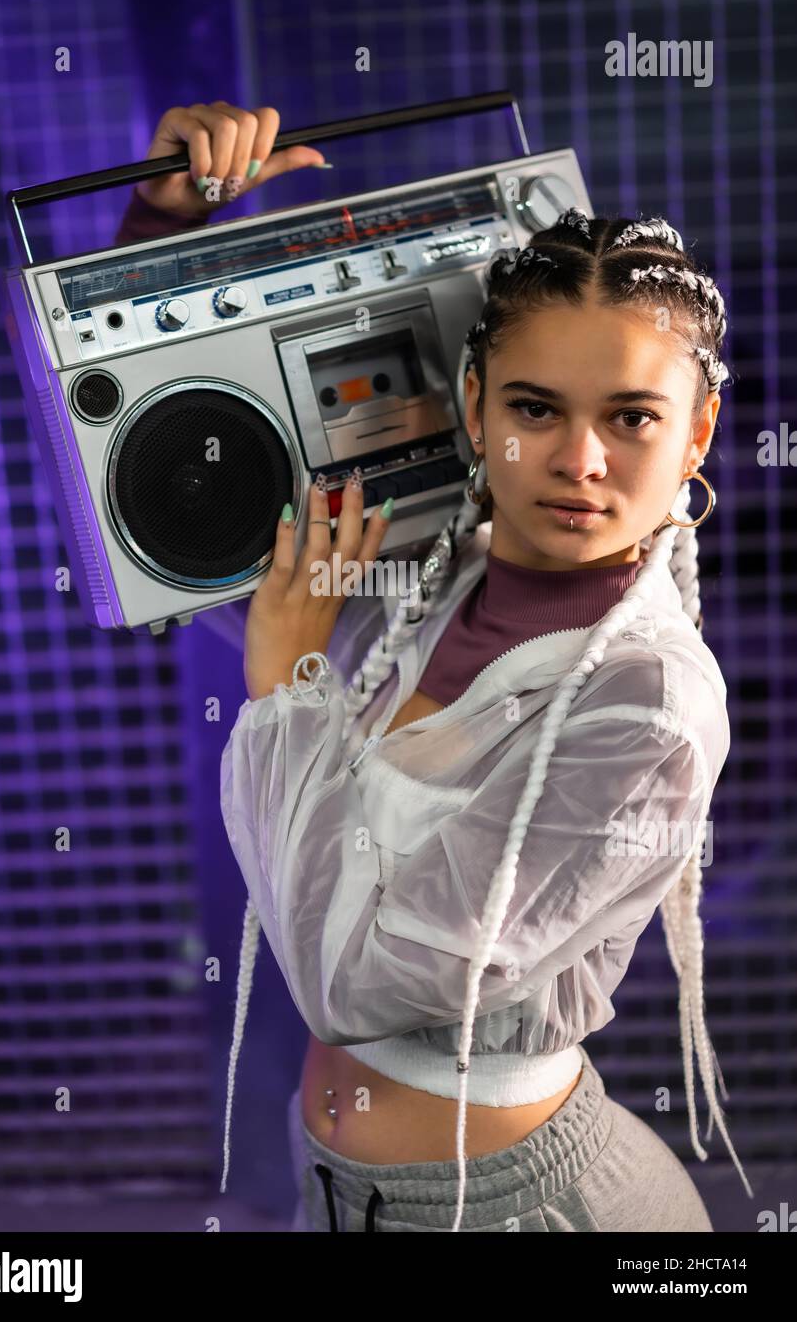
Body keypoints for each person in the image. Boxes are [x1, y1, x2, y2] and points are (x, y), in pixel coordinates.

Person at [116, 103, 754, 1232]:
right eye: (533, 408)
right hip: (333, 1190)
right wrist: (160, 226)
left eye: (632, 418)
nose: (578, 461)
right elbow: (143, 507)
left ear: (695, 437)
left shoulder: (646, 700)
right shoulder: (411, 586)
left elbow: (349, 986)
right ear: (473, 406)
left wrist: (291, 690)